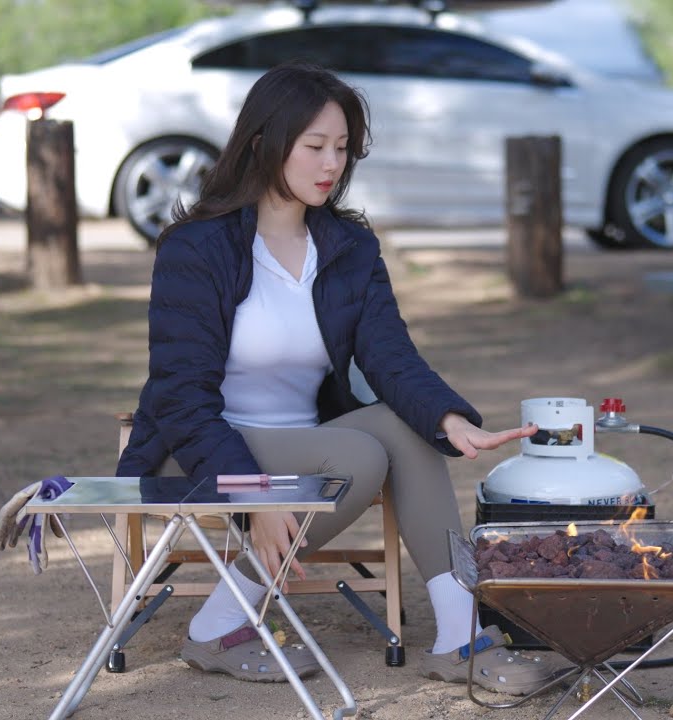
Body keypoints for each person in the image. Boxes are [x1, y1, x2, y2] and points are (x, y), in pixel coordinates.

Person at [116, 61, 559, 695]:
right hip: (202, 454)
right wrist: (254, 499)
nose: (333, 164)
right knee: (357, 453)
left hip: (311, 448)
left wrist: (447, 418)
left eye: (344, 149)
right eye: (315, 146)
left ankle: (461, 637)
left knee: (406, 429)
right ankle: (219, 624)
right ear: (267, 142)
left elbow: (390, 356)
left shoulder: (348, 249)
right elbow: (181, 397)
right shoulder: (197, 248)